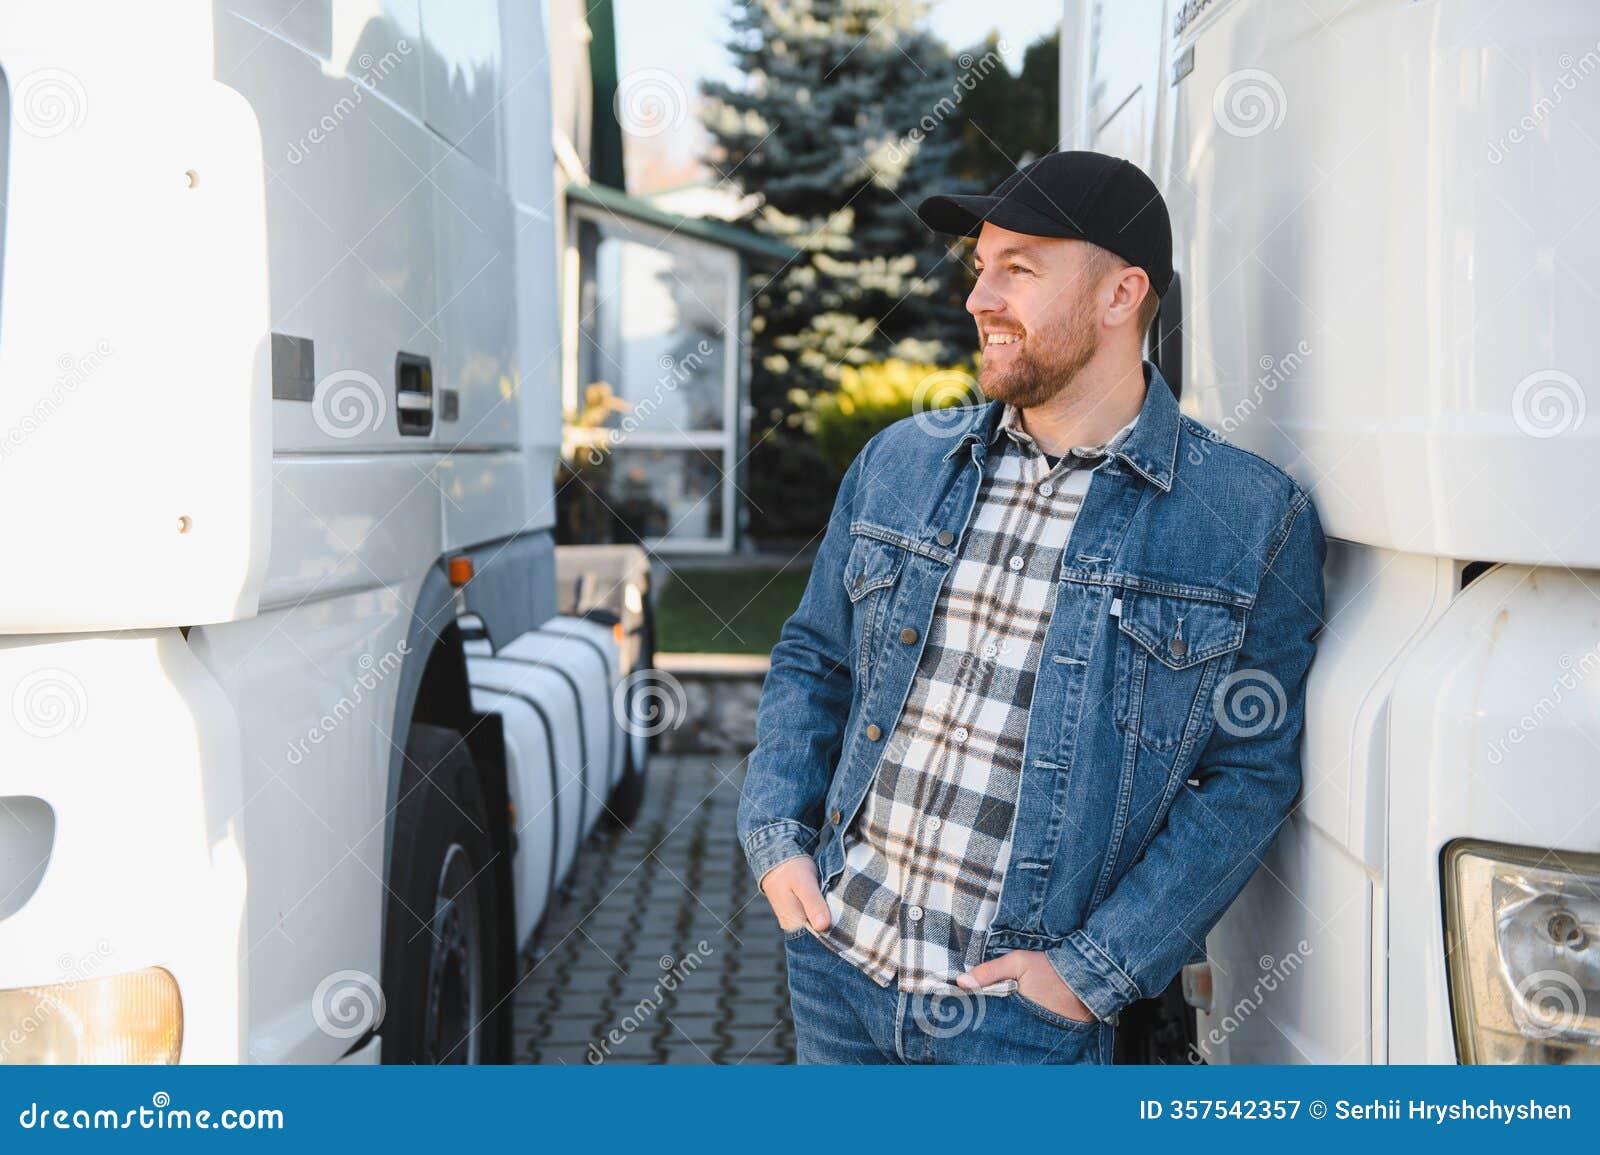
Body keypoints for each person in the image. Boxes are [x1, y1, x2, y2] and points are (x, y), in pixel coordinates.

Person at [738, 150, 1326, 1064]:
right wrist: (780, 839)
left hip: (1022, 1023)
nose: (979, 298)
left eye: (1018, 269)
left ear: (1121, 293)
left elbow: (1249, 774)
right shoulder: (901, 463)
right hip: (839, 965)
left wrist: (1091, 971)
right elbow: (817, 657)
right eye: (981, 268)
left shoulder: (1248, 517)